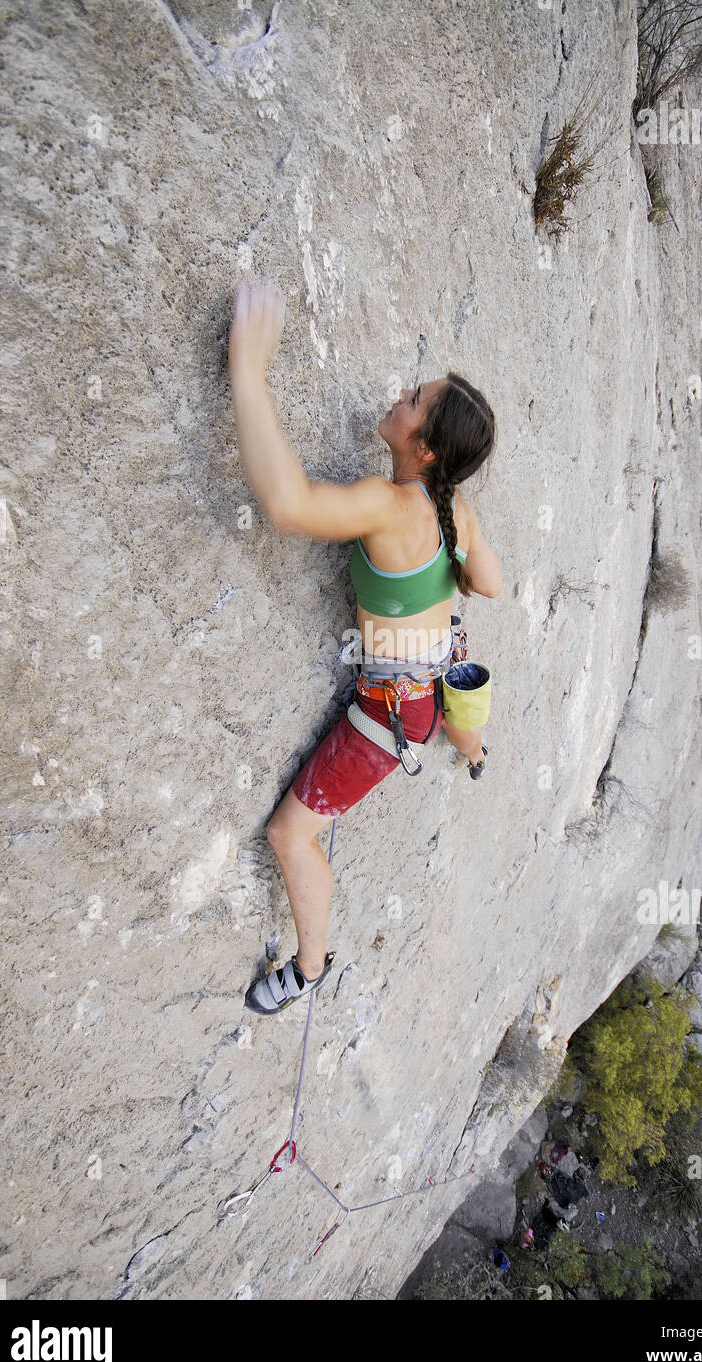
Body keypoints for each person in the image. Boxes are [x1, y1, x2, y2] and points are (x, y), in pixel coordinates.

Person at [228, 276, 502, 1016]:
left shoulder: (391, 505)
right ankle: (474, 752)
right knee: (452, 709)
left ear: (427, 448)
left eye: (414, 400)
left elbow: (286, 506)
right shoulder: (454, 510)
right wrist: (454, 569)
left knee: (291, 835)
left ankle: (311, 968)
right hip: (436, 680)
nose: (400, 396)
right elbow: (493, 582)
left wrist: (248, 374)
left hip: (391, 717)